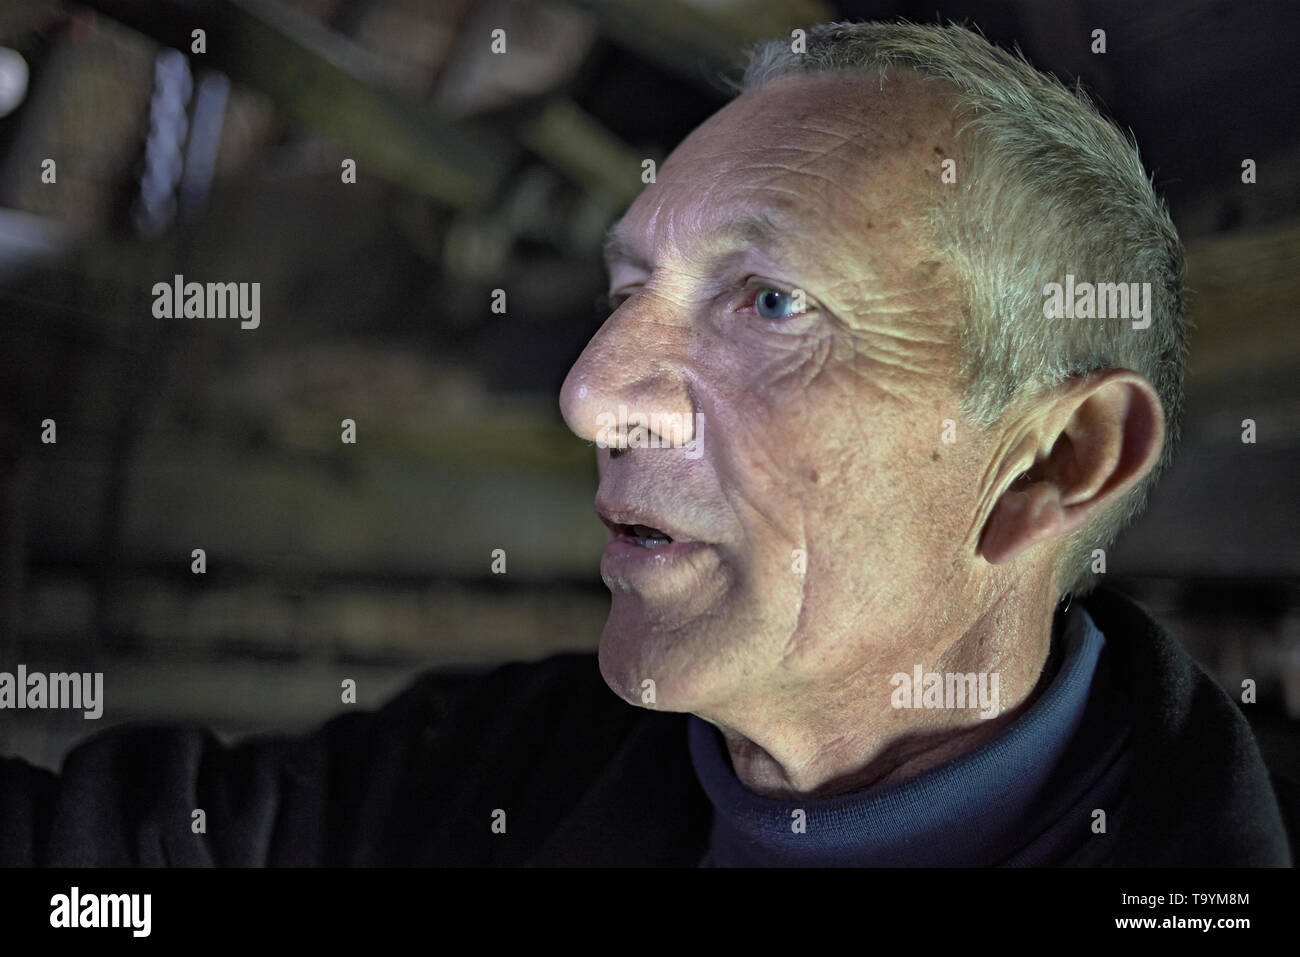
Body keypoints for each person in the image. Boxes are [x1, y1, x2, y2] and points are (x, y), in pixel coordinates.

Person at [1, 21, 1293, 866]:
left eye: (771, 299)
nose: (591, 394)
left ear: (1052, 463)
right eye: (630, 291)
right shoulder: (490, 773)